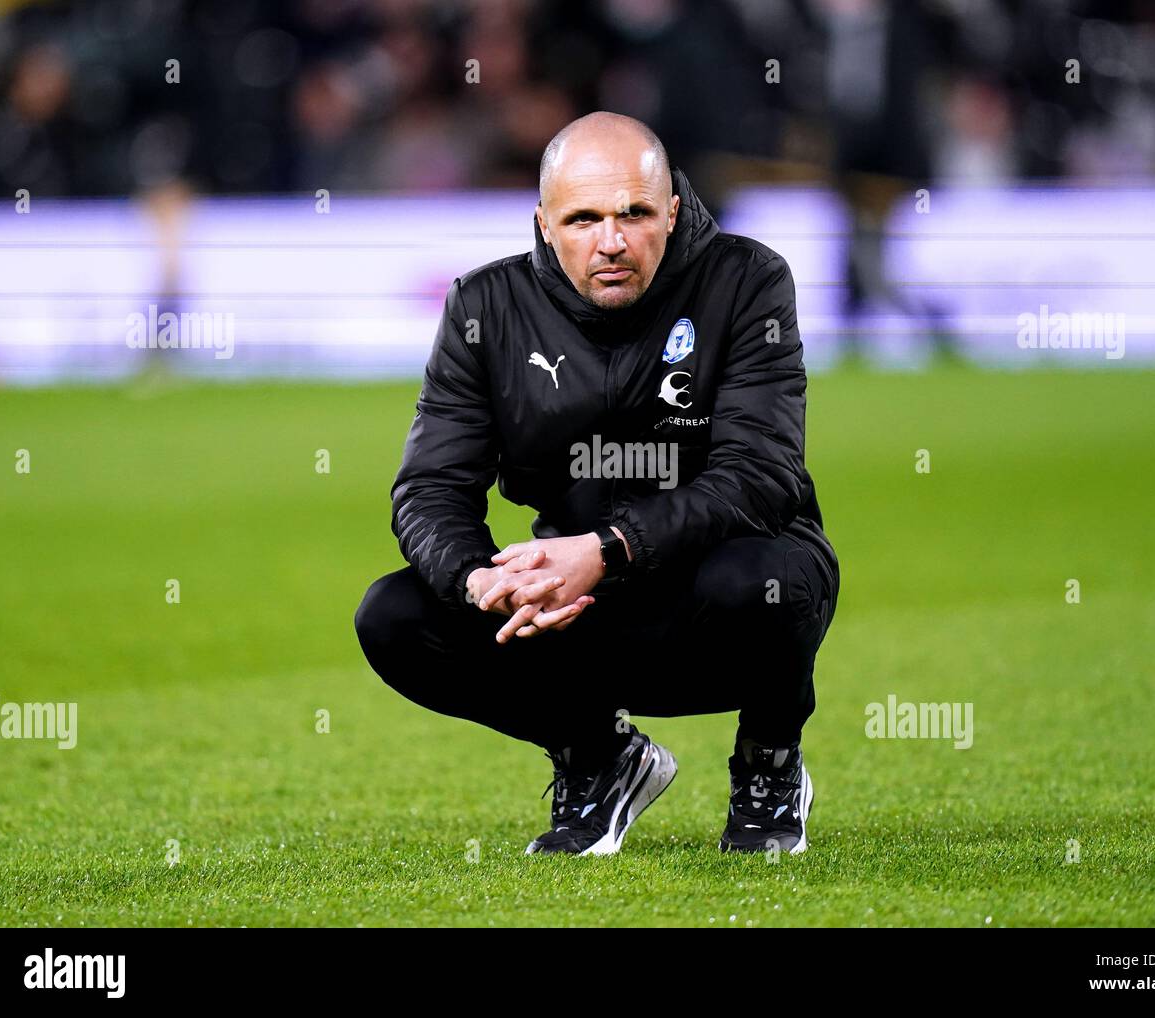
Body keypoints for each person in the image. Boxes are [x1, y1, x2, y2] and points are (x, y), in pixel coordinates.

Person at [355, 111, 840, 856]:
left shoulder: (746, 281)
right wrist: (484, 581)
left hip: (714, 603)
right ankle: (598, 759)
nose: (610, 242)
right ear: (545, 223)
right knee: (393, 615)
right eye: (583, 219)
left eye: (634, 215)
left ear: (672, 211)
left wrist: (611, 547)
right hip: (578, 611)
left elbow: (761, 474)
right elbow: (427, 490)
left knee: (764, 578)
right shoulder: (486, 309)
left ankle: (769, 765)